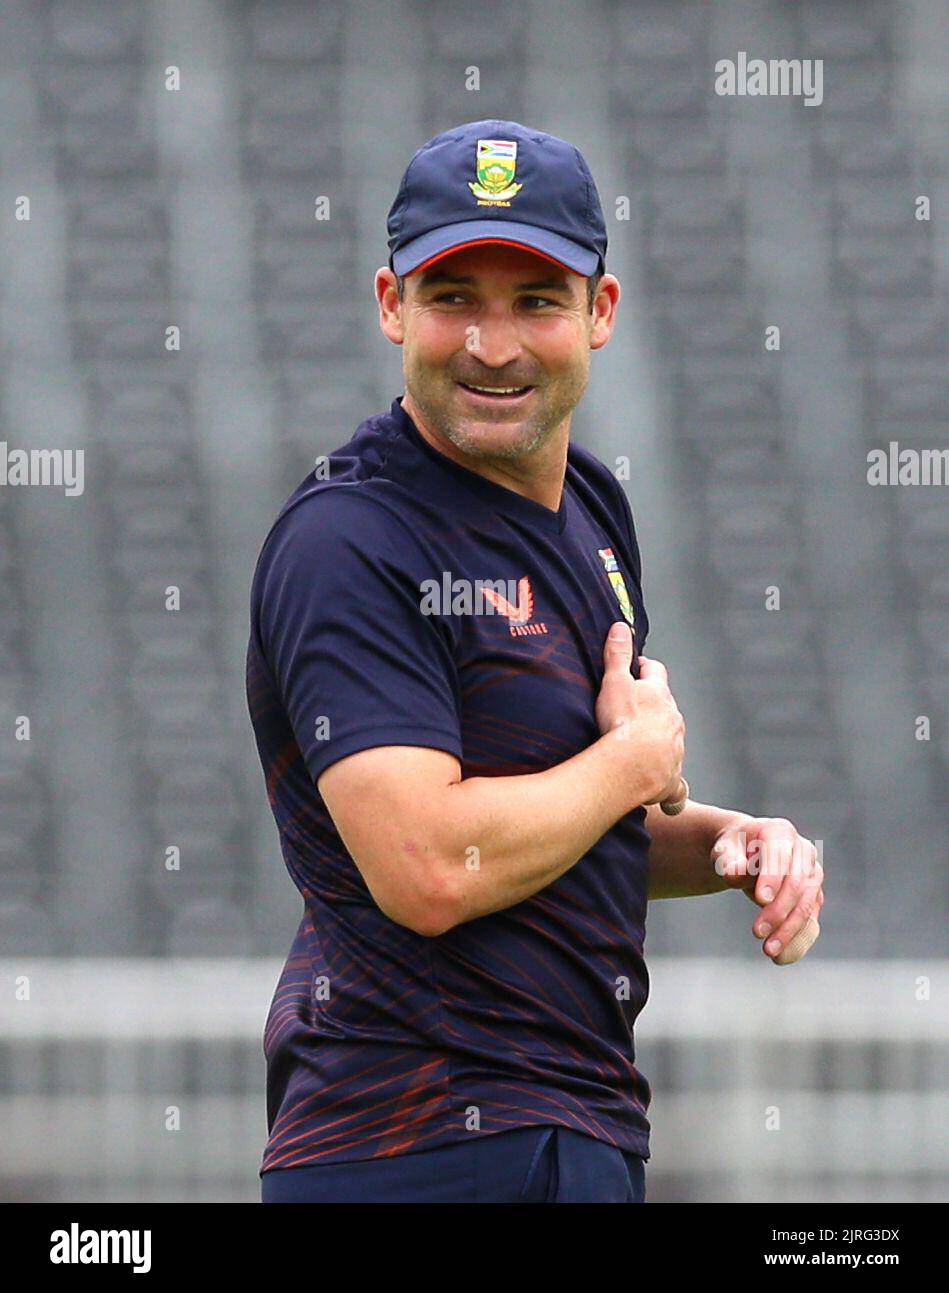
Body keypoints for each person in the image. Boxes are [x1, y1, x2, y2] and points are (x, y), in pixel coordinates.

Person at [246, 119, 825, 1203]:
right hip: (410, 1150)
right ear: (390, 306)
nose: (493, 345)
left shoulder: (592, 508)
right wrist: (634, 762)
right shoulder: (351, 538)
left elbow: (570, 827)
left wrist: (736, 843)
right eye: (453, 295)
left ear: (600, 314)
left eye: (537, 300)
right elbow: (427, 867)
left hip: (574, 1123)